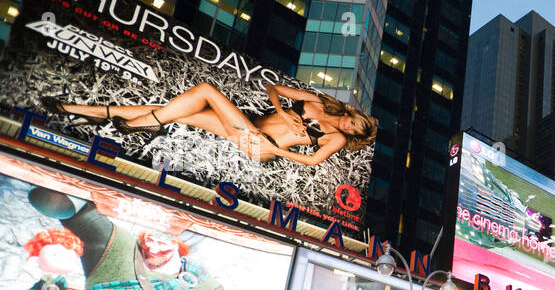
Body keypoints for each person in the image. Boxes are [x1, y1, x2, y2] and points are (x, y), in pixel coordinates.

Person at [49, 81, 378, 166]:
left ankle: (145, 125)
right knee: (172, 109)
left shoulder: (333, 138)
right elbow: (273, 90)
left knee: (205, 91)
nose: (349, 129)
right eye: (353, 123)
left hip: (259, 143)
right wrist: (285, 110)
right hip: (245, 125)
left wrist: (268, 146)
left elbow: (310, 159)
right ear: (352, 115)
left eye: (354, 133)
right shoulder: (318, 103)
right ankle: (71, 107)